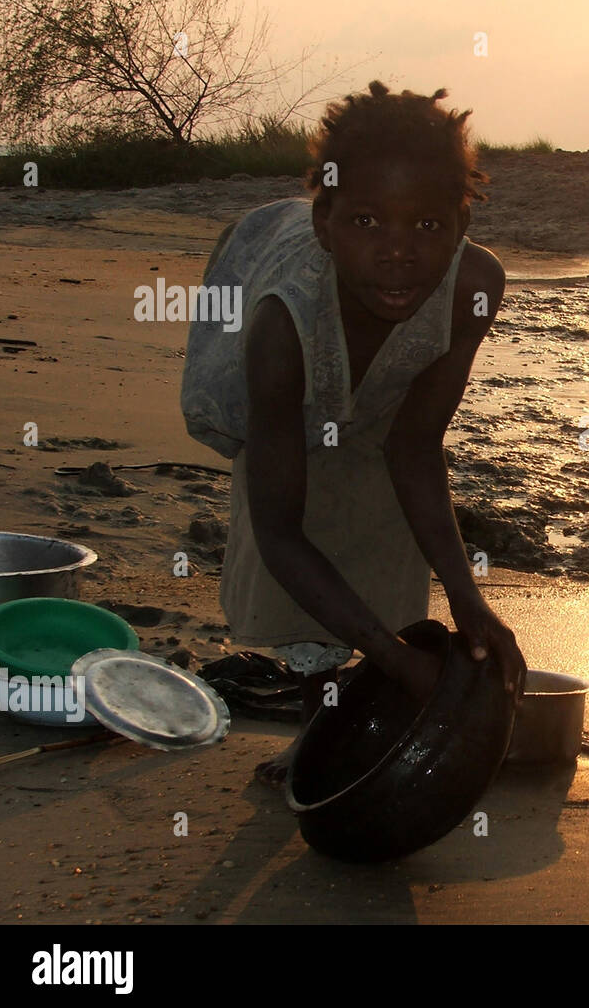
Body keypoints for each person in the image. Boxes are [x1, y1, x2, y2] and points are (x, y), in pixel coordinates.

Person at [181, 81, 526, 786]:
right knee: (304, 517)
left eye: (427, 227)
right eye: (367, 223)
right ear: (324, 224)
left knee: (377, 520)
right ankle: (315, 730)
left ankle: (341, 722)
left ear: (461, 226)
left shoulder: (473, 287)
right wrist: (396, 664)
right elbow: (279, 531)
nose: (398, 253)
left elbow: (414, 446)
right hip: (283, 384)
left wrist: (466, 595)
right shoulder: (282, 327)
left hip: (377, 405)